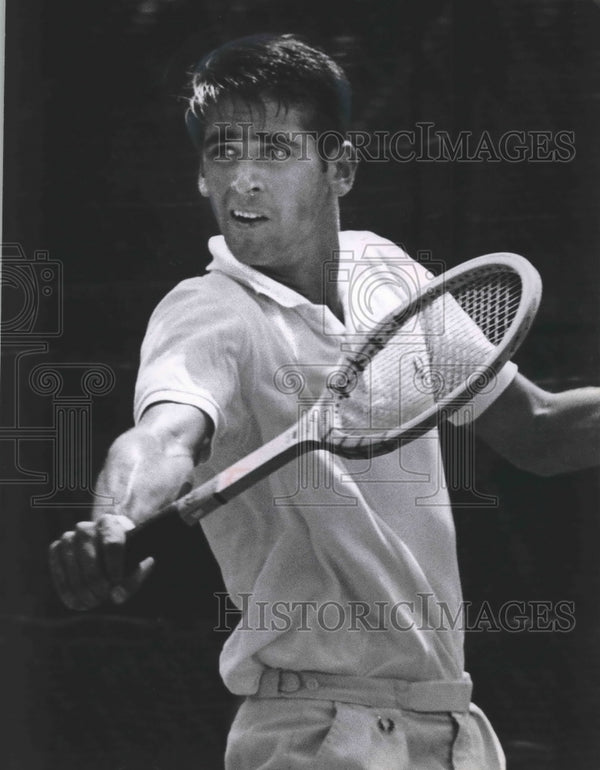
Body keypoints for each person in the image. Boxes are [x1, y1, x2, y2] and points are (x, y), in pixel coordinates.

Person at [49, 34, 600, 769]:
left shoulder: (393, 275)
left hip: (451, 730)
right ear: (201, 179)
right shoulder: (208, 313)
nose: (243, 179)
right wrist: (115, 516)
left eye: (273, 150)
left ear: (338, 166)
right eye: (223, 152)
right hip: (315, 736)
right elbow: (164, 436)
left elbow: (538, 430)